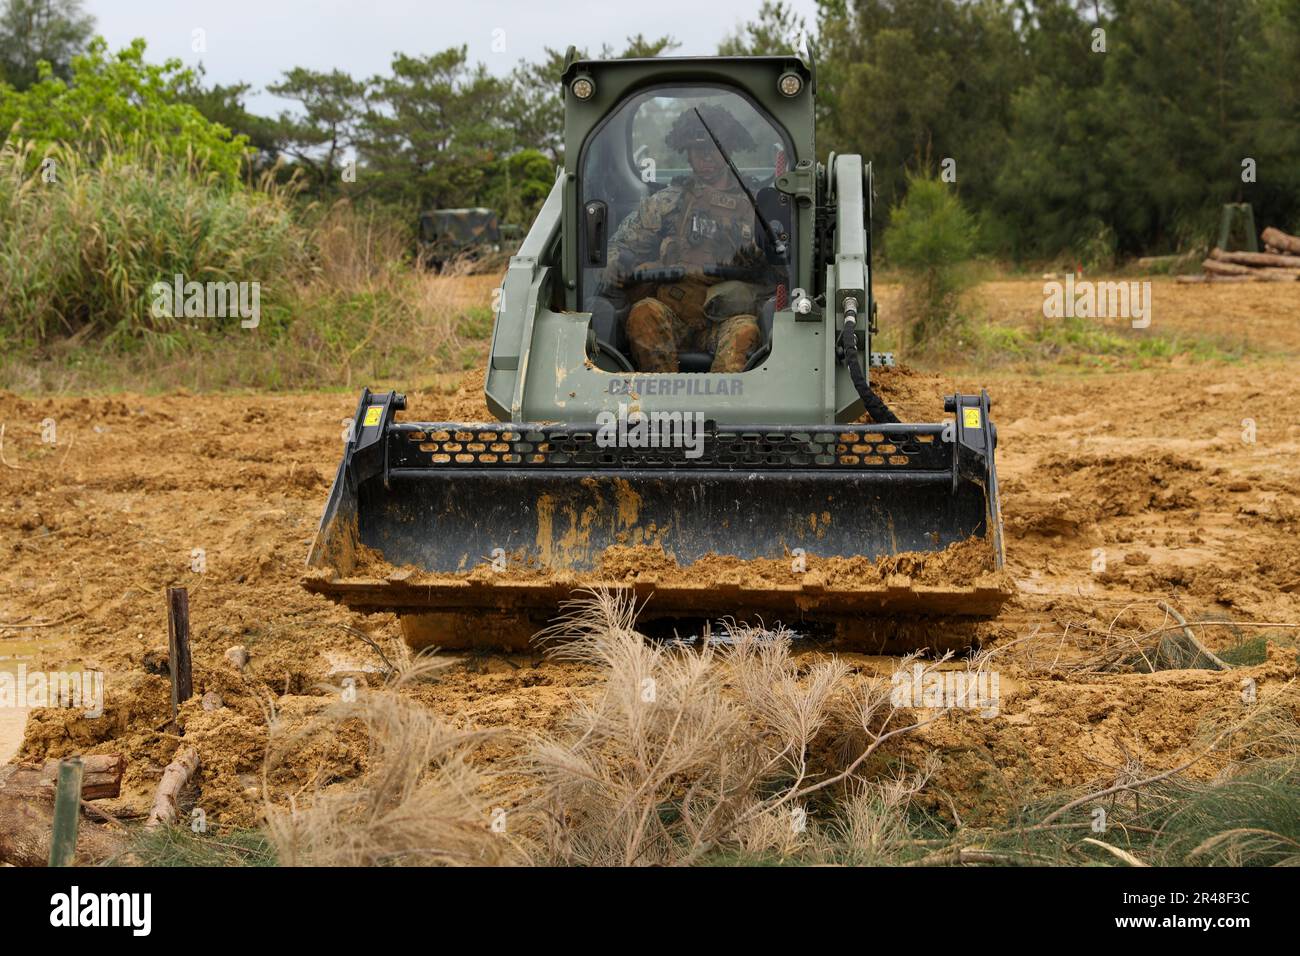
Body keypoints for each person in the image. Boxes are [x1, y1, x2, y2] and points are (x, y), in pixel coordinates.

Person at [601, 105, 777, 373]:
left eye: (714, 149)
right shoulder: (667, 203)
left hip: (728, 319)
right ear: (687, 153)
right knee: (644, 313)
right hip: (674, 316)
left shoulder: (757, 208)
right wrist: (617, 266)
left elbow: (783, 267)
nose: (707, 158)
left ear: (729, 149)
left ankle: (724, 414)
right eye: (698, 150)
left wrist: (757, 256)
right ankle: (661, 411)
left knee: (745, 332)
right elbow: (617, 247)